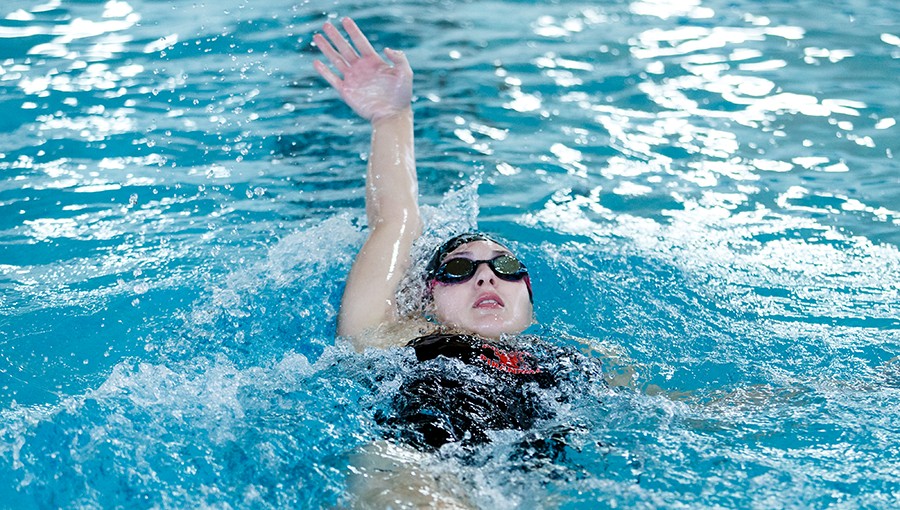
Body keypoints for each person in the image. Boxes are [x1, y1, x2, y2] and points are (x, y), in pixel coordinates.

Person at [313, 17, 615, 507]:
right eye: (458, 269)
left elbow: (661, 411)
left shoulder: (572, 363)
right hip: (414, 468)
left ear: (528, 297)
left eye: (505, 266)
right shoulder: (392, 337)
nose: (485, 274)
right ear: (427, 296)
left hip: (528, 488)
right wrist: (392, 118)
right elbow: (395, 222)